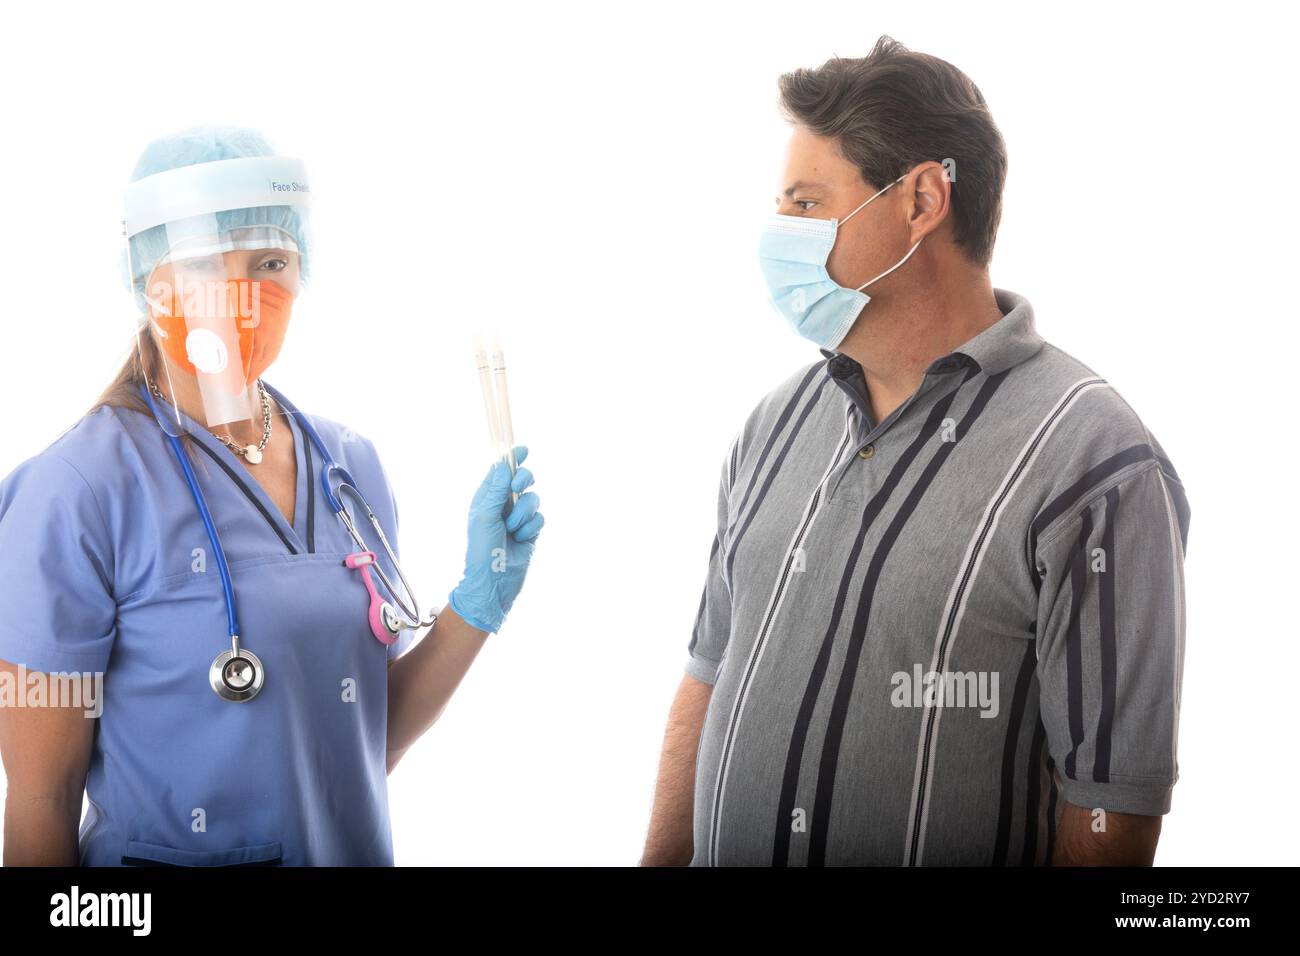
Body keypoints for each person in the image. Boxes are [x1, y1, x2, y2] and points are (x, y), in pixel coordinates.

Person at [641, 37, 1190, 866]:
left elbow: (1109, 802)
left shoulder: (1095, 461)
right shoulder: (772, 425)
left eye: (803, 203)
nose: (776, 233)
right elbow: (709, 672)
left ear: (923, 199)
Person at [0, 125, 544, 866]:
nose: (238, 296)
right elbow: (40, 801)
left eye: (270, 261)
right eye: (198, 265)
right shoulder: (73, 493)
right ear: (144, 279)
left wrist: (477, 606)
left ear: (303, 269)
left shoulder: (350, 466)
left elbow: (356, 746)